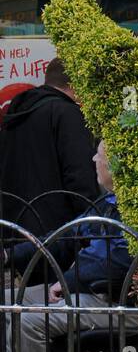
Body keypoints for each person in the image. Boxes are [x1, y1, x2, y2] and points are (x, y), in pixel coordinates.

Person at [4, 140, 134, 352]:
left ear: (115, 164)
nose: (92, 158)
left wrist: (68, 284)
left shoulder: (133, 211)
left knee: (29, 320)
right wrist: (9, 255)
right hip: (81, 290)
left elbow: (120, 265)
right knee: (7, 302)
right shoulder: (106, 204)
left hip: (113, 300)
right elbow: (59, 238)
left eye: (99, 154)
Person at [0, 57, 98, 239]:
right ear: (76, 83)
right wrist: (91, 226)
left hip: (13, 231)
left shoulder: (15, 114)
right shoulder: (68, 114)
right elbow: (80, 176)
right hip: (55, 236)